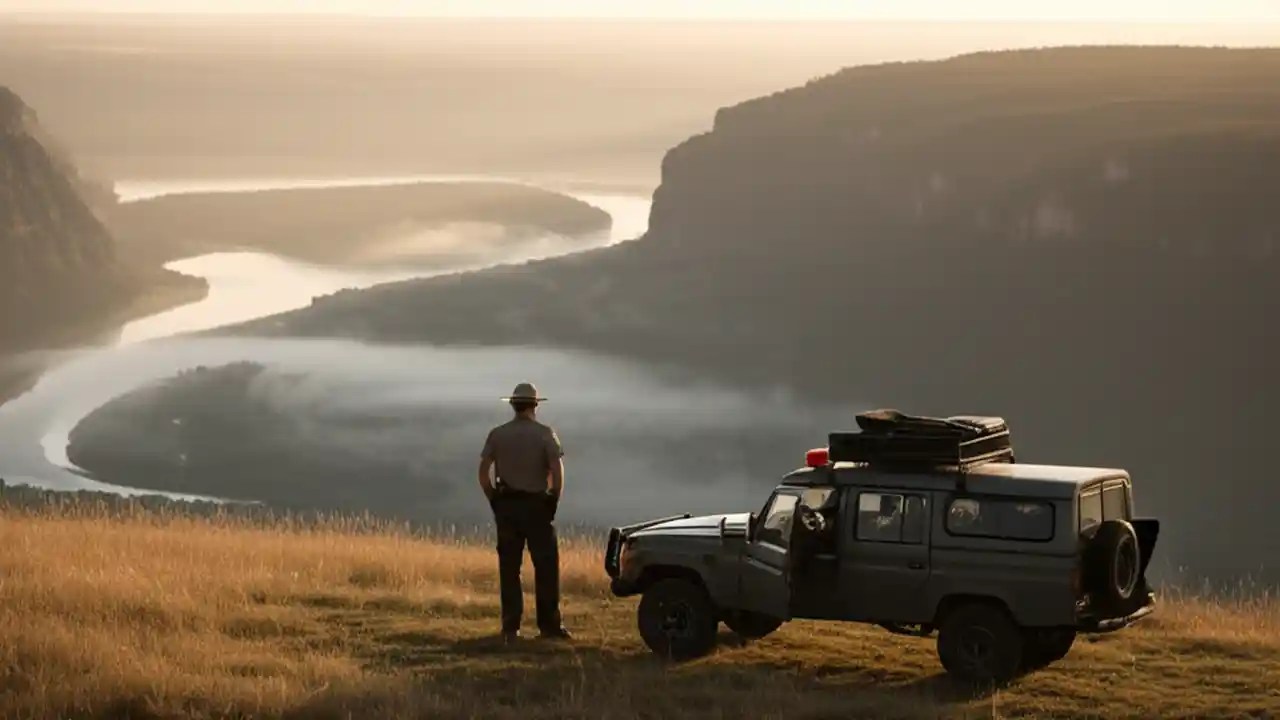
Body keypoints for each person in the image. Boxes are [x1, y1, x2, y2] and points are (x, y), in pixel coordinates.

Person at [479, 382, 570, 643]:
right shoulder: (545, 434)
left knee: (509, 567)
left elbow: (483, 472)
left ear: (513, 405)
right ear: (535, 405)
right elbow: (557, 469)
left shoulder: (497, 434)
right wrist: (553, 499)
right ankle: (549, 626)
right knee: (546, 567)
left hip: (507, 504)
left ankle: (510, 627)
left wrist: (494, 499)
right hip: (537, 505)